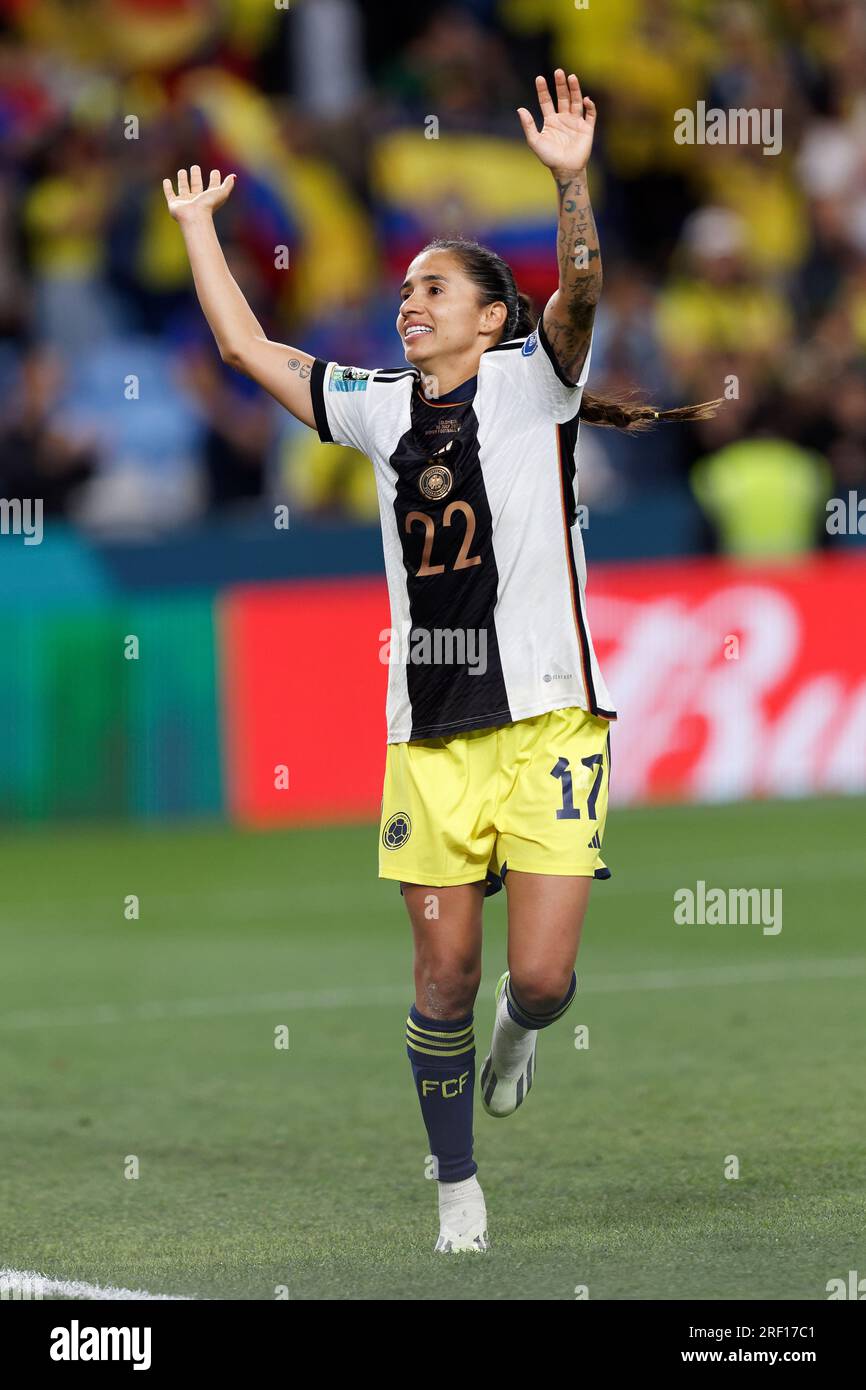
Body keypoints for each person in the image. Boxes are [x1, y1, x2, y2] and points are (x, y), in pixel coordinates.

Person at [165, 69, 720, 1254]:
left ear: (487, 316)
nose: (408, 301)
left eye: (433, 289)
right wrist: (199, 228)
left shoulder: (540, 381)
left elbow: (579, 286)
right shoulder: (374, 406)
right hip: (427, 739)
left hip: (550, 726)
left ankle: (525, 1036)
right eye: (405, 287)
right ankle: (456, 1187)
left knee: (544, 981)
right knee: (440, 976)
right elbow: (241, 341)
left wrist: (569, 179)